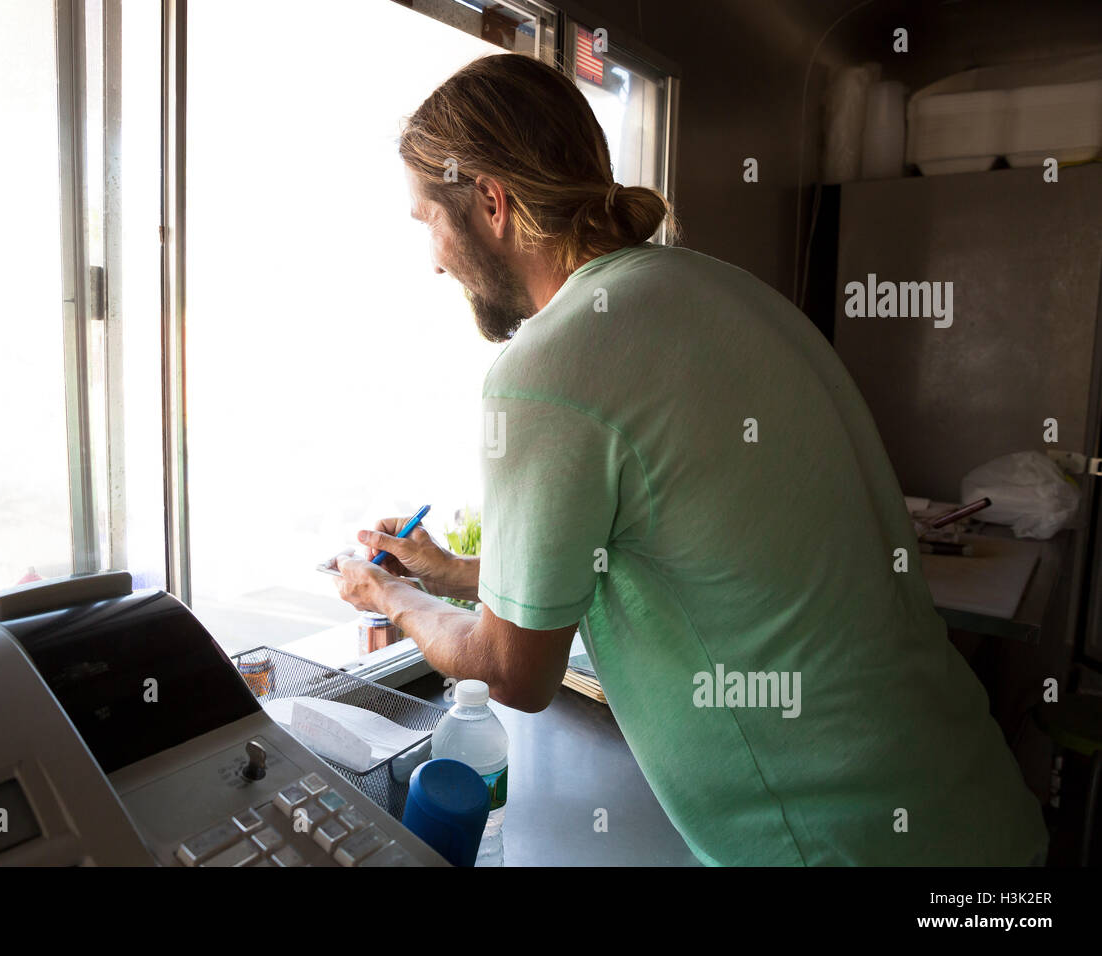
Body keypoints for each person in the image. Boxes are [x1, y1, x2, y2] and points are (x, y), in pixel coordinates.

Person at [331, 53, 1048, 866]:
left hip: (836, 846)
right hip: (973, 812)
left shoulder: (549, 366)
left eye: (429, 220)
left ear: (491, 202)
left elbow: (511, 673)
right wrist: (450, 572)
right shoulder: (730, 293)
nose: (432, 259)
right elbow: (685, 540)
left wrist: (386, 591)